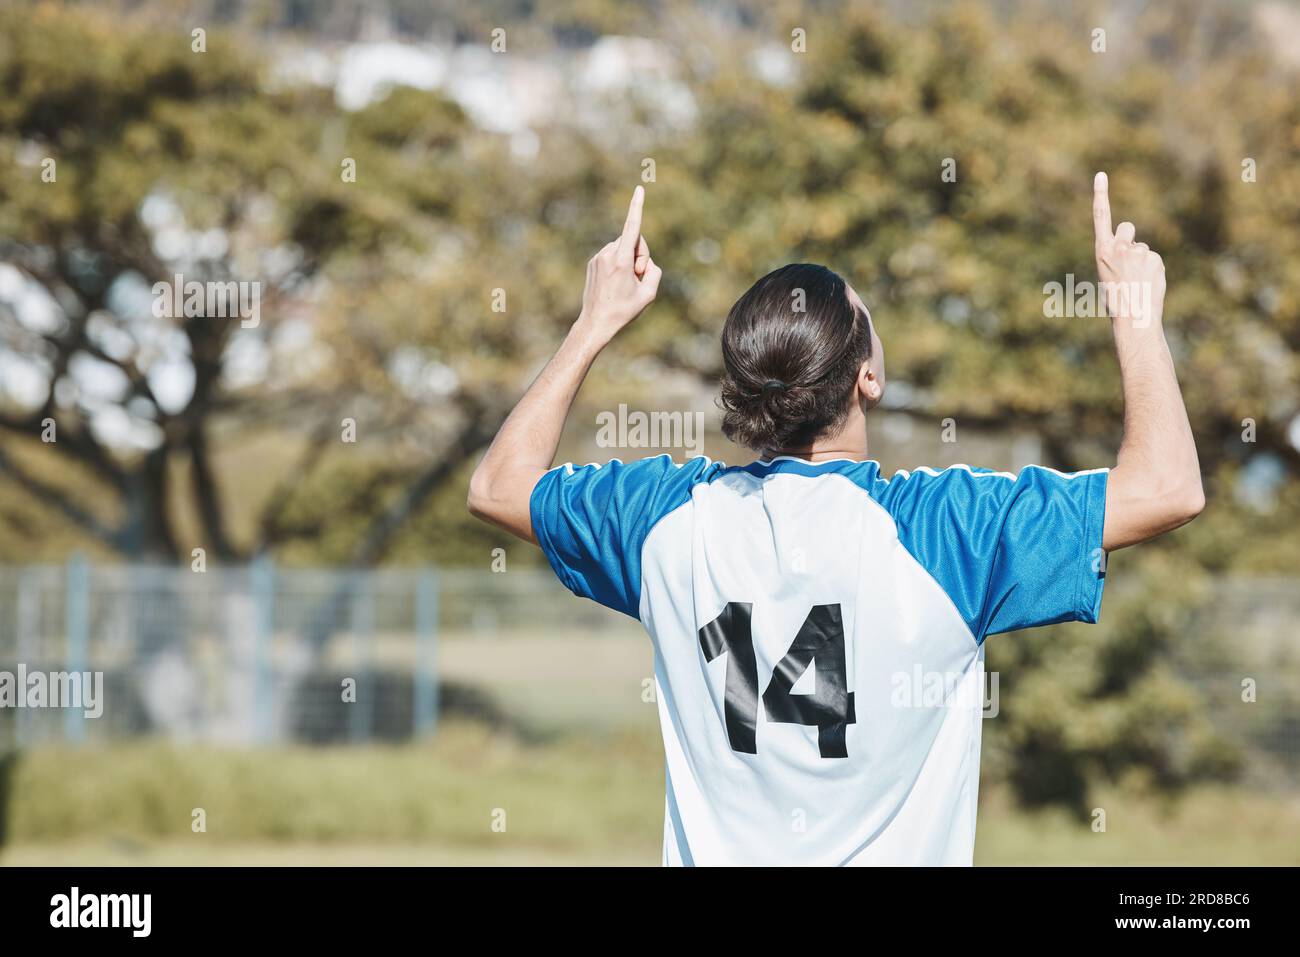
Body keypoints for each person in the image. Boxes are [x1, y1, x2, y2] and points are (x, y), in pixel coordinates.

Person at [467, 175, 1203, 865]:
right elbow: (1167, 486)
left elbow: (500, 486)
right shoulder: (947, 530)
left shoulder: (665, 520)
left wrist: (594, 323)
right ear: (867, 378)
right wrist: (1135, 316)